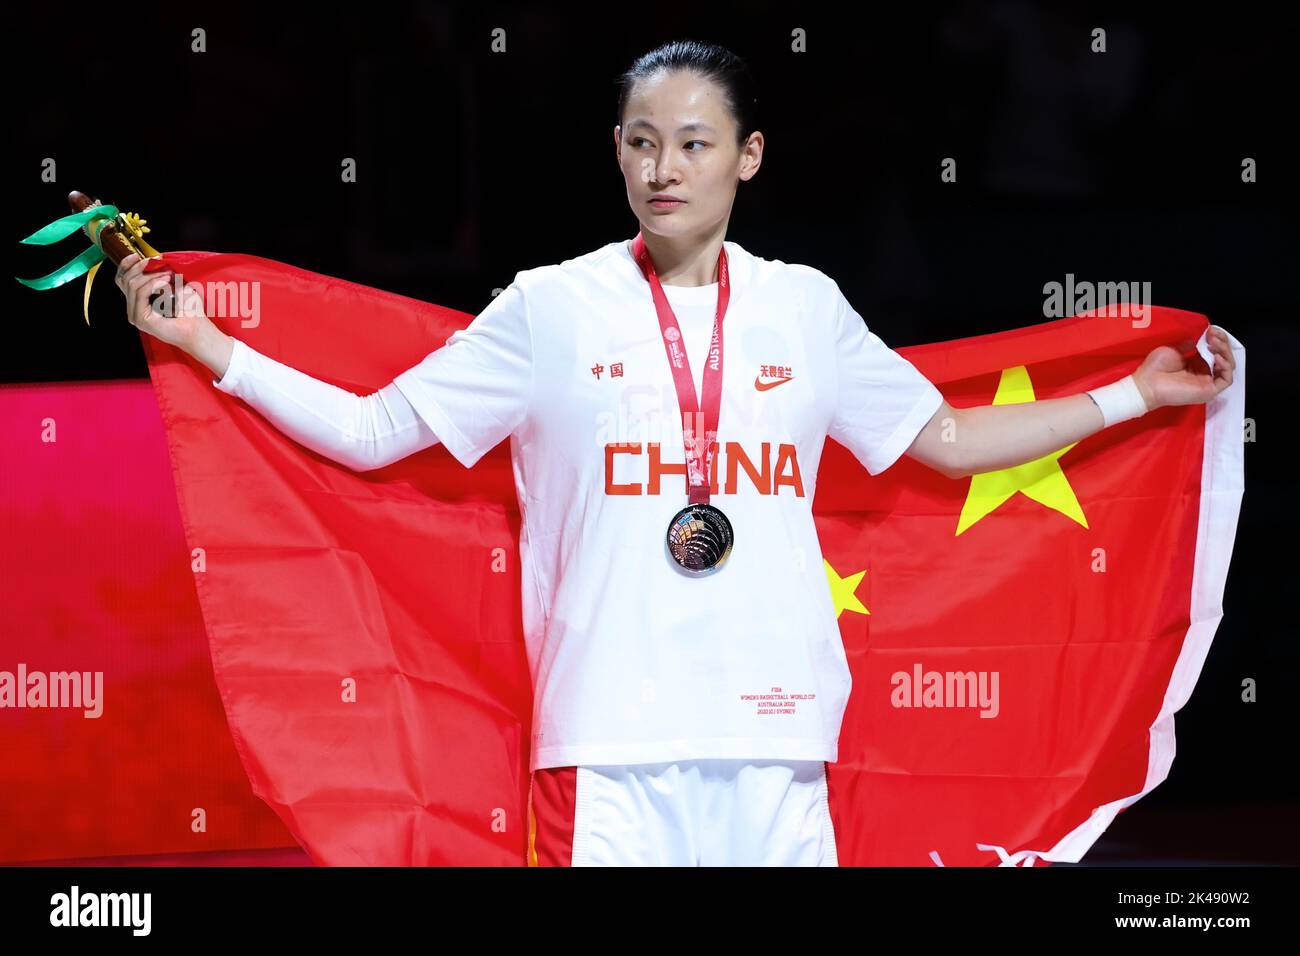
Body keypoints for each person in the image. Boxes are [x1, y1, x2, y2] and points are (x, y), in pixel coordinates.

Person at [115, 39, 1236, 867]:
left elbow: (946, 441)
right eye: (643, 143)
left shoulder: (804, 308)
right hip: (604, 748)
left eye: (695, 143)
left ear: (746, 156)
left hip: (779, 738)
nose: (665, 168)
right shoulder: (548, 307)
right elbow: (373, 432)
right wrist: (208, 340)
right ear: (615, 152)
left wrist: (1130, 392)